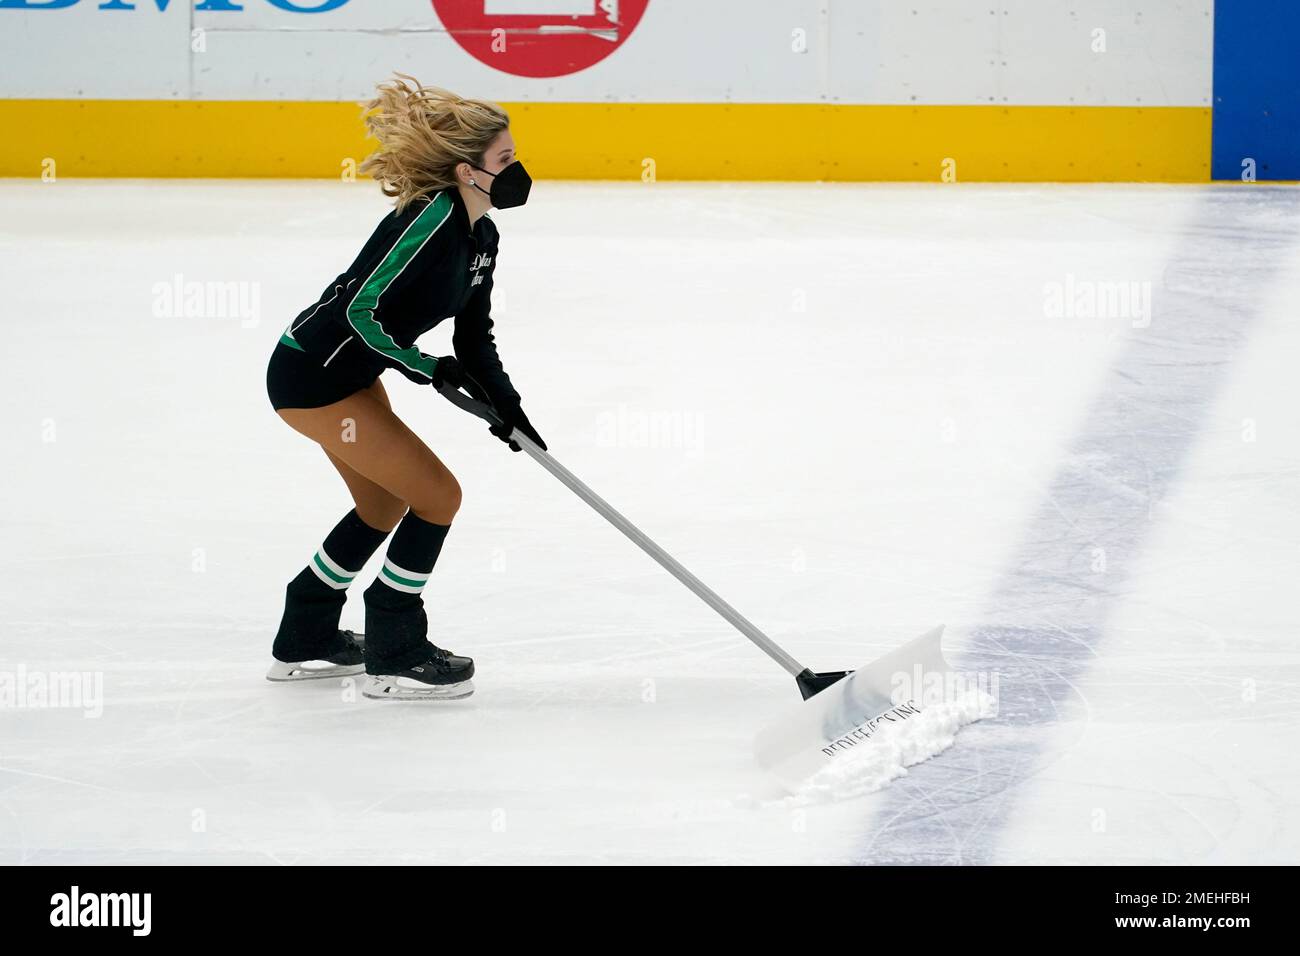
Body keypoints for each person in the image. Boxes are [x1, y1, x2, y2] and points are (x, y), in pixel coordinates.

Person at [263, 74, 545, 700]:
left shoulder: (483, 237)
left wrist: (506, 403)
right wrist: (426, 367)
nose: (518, 171)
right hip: (312, 378)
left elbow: (475, 336)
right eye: (505, 161)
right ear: (468, 170)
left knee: (385, 504)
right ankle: (394, 649)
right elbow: (362, 310)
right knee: (439, 496)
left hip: (349, 377)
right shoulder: (430, 218)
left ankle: (305, 629)